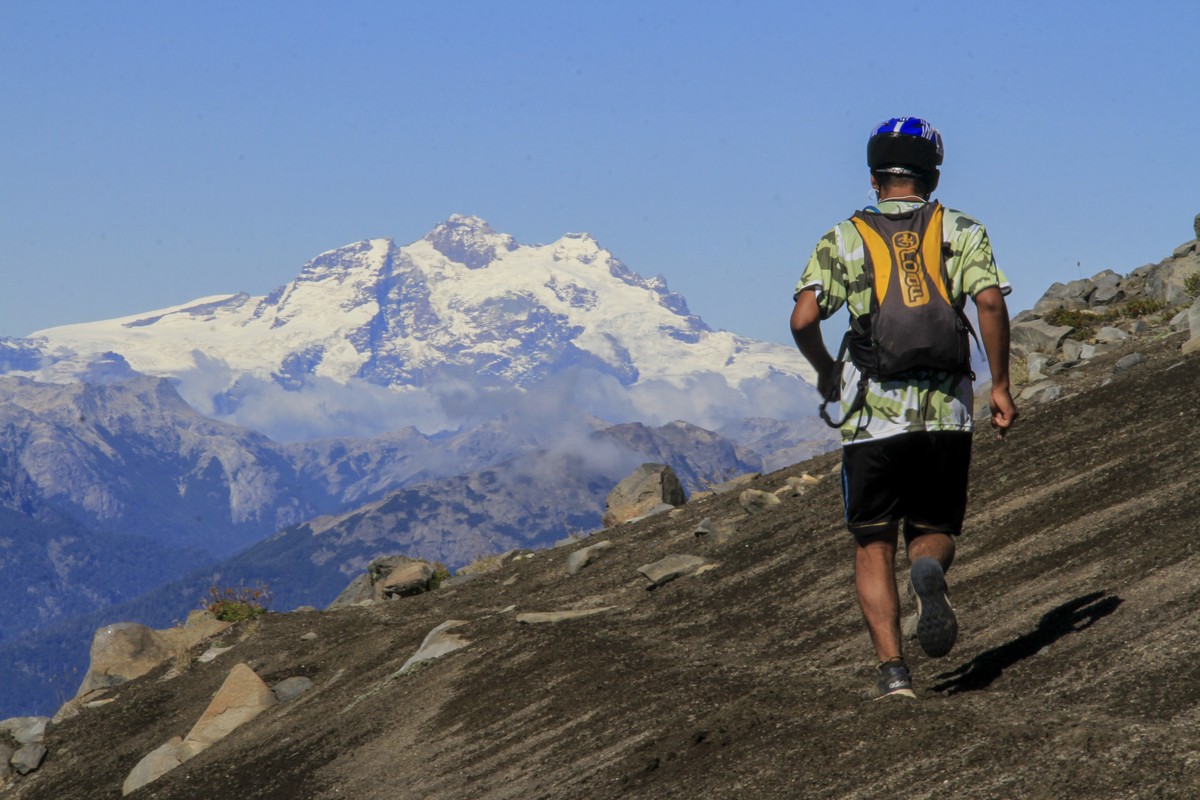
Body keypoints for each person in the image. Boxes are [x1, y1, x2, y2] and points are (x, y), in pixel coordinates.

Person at [789, 117, 1017, 700]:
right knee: (934, 527)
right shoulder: (960, 228)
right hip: (945, 410)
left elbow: (804, 318)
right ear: (933, 173)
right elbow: (988, 301)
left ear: (873, 178)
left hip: (871, 415)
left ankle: (894, 673)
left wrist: (824, 372)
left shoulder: (843, 238)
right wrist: (1000, 384)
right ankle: (931, 571)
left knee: (873, 541)